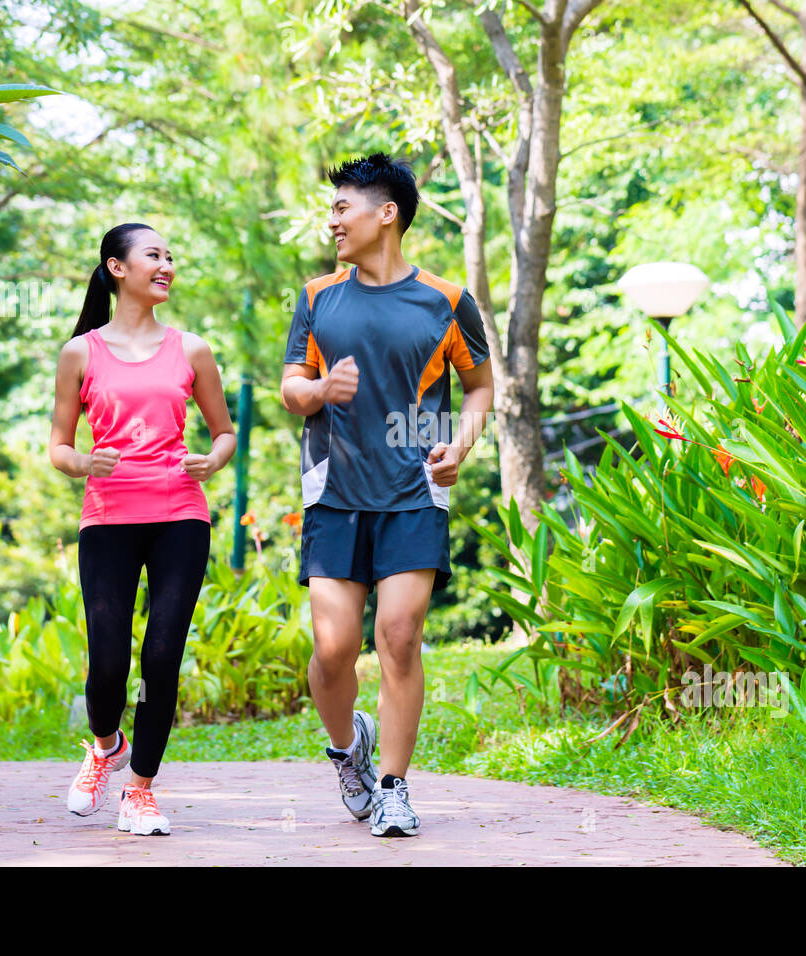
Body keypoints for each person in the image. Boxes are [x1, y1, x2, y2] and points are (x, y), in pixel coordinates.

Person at [280, 153, 495, 837]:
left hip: (413, 491)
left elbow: (481, 387)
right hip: (335, 491)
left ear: (386, 214)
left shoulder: (447, 300)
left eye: (343, 207)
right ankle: (349, 751)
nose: (333, 219)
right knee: (335, 647)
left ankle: (395, 787)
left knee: (398, 636)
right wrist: (320, 391)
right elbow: (292, 388)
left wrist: (460, 444)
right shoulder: (317, 297)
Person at [48, 222, 236, 836]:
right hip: (108, 519)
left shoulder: (193, 349)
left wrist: (213, 459)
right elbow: (58, 446)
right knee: (107, 661)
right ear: (116, 268)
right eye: (153, 255)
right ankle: (105, 746)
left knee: (161, 657)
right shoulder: (81, 352)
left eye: (170, 256)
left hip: (181, 514)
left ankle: (141, 790)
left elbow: (224, 431)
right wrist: (83, 462)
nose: (167, 265)